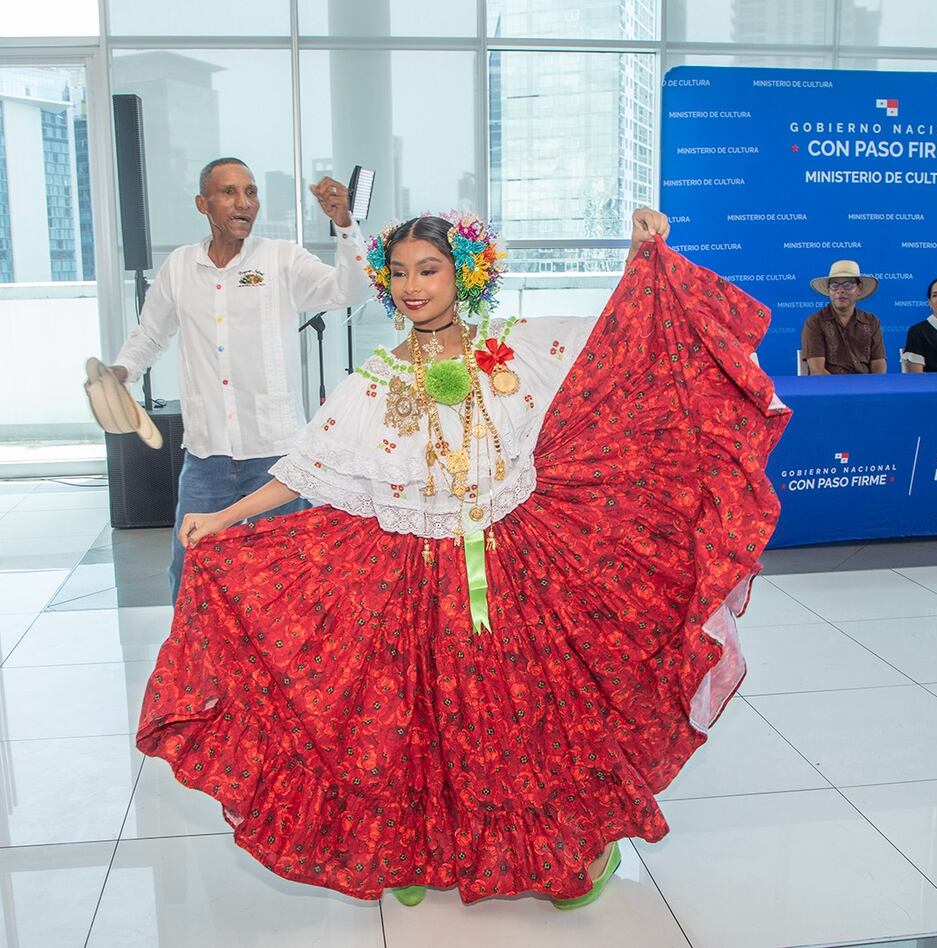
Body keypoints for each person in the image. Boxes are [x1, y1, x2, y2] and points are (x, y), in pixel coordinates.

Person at [135, 208, 789, 909]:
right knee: (415, 715)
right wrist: (222, 519)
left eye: (430, 269)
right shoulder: (376, 378)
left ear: (464, 273)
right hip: (409, 575)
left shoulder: (517, 347)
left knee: (524, 710)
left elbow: (615, 347)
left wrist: (640, 253)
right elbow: (302, 469)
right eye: (401, 273)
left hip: (515, 563)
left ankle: (563, 854)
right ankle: (413, 845)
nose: (413, 285)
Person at [106, 157, 373, 601]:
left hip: (278, 461)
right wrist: (121, 372)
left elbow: (351, 290)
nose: (243, 202)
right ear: (202, 204)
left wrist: (344, 224)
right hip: (206, 459)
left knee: (290, 585)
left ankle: (289, 672)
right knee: (191, 579)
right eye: (229, 192)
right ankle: (194, 671)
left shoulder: (281, 259)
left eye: (250, 192)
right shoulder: (179, 267)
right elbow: (151, 334)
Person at [801, 260, 886, 374]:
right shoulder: (815, 322)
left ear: (859, 289)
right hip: (829, 388)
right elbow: (818, 370)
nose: (840, 291)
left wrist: (873, 388)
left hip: (866, 387)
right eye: (834, 286)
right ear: (829, 290)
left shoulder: (871, 321)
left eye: (847, 285)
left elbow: (879, 364)